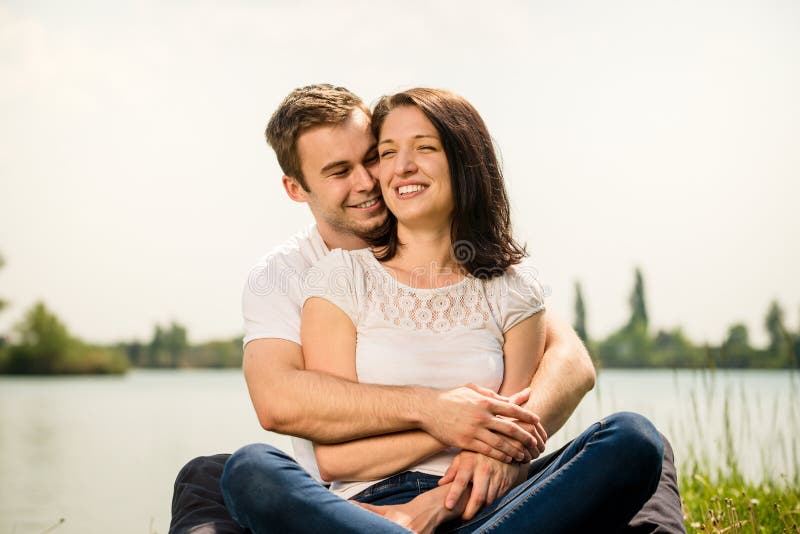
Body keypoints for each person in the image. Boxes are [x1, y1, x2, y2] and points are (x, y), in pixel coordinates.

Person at [169, 84, 685, 534]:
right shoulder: (299, 276)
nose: (374, 179)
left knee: (638, 442)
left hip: (483, 498)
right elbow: (280, 405)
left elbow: (569, 357)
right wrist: (439, 414)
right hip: (353, 503)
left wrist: (487, 450)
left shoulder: (502, 280)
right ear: (296, 189)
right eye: (339, 171)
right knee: (236, 474)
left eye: (373, 155)